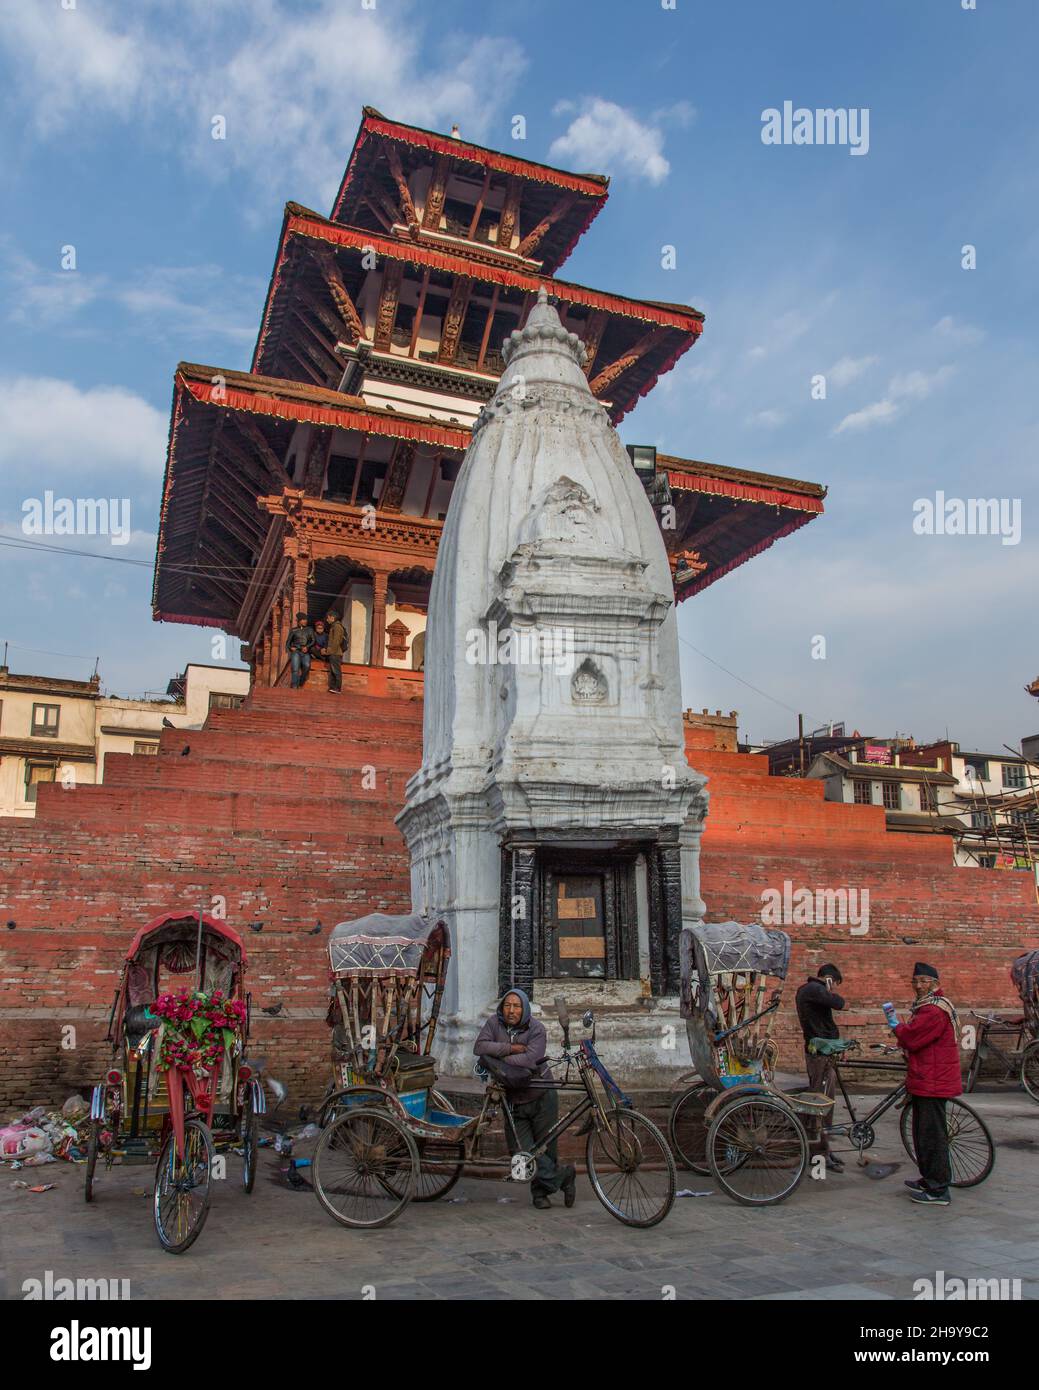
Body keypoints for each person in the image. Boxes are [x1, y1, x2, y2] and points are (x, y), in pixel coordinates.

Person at [473, 988, 576, 1210]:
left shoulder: (537, 1029)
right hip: (512, 1098)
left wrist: (498, 1058)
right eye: (508, 1005)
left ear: (525, 1009)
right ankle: (564, 1177)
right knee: (520, 1152)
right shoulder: (494, 1023)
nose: (511, 1010)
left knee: (545, 1147)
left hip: (541, 1095)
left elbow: (532, 1059)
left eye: (517, 1006)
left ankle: (539, 1194)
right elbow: (480, 1047)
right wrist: (510, 1048)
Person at [892, 962, 961, 1206]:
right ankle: (929, 1177)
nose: (919, 986)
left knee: (932, 1136)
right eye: (916, 981)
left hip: (932, 1079)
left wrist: (896, 1027)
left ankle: (938, 1189)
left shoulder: (933, 1011)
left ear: (935, 984)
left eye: (924, 981)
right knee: (923, 1133)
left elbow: (912, 1037)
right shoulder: (927, 1007)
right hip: (927, 1076)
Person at [795, 962, 846, 1172]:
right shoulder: (814, 989)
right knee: (820, 1104)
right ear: (829, 979)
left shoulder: (812, 991)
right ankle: (819, 1152)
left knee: (826, 1102)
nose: (833, 989)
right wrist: (827, 988)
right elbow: (839, 1003)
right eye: (834, 984)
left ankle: (824, 1149)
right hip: (820, 1055)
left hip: (824, 1053)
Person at [285, 612, 315, 689]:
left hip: (305, 652)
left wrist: (307, 647)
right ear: (299, 621)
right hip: (296, 651)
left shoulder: (309, 629)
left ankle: (301, 681)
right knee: (295, 668)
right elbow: (288, 643)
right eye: (303, 620)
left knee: (307, 666)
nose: (305, 621)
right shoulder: (294, 630)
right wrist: (291, 648)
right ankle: (294, 685)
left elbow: (313, 641)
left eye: (306, 620)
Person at [324, 610, 346, 693]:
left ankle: (337, 688)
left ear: (332, 617)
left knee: (336, 671)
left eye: (328, 618)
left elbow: (336, 641)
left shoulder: (337, 626)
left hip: (335, 652)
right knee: (333, 671)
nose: (327, 620)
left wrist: (329, 651)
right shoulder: (334, 626)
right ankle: (333, 687)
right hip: (334, 652)